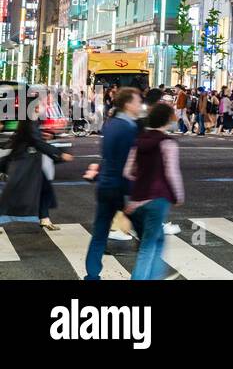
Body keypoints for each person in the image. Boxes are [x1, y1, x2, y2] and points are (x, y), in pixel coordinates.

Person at [83, 87, 142, 279]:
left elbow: (108, 157)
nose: (139, 105)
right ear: (127, 104)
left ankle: (92, 275)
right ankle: (150, 271)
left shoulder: (110, 124)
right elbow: (128, 163)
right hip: (120, 187)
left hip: (105, 186)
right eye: (136, 101)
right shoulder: (129, 128)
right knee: (146, 232)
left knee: (100, 233)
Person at [122, 103, 184, 280]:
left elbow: (127, 171)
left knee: (155, 240)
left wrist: (142, 178)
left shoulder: (139, 141)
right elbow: (172, 172)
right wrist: (178, 196)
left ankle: (155, 275)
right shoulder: (168, 143)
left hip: (137, 199)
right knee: (148, 246)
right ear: (167, 120)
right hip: (158, 199)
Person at [0, 114, 75, 229]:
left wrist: (42, 136)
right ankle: (44, 218)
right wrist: (59, 153)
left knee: (45, 189)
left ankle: (44, 218)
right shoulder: (29, 120)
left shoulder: (30, 120)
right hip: (23, 162)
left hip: (30, 161)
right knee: (11, 195)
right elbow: (36, 142)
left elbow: (32, 138)